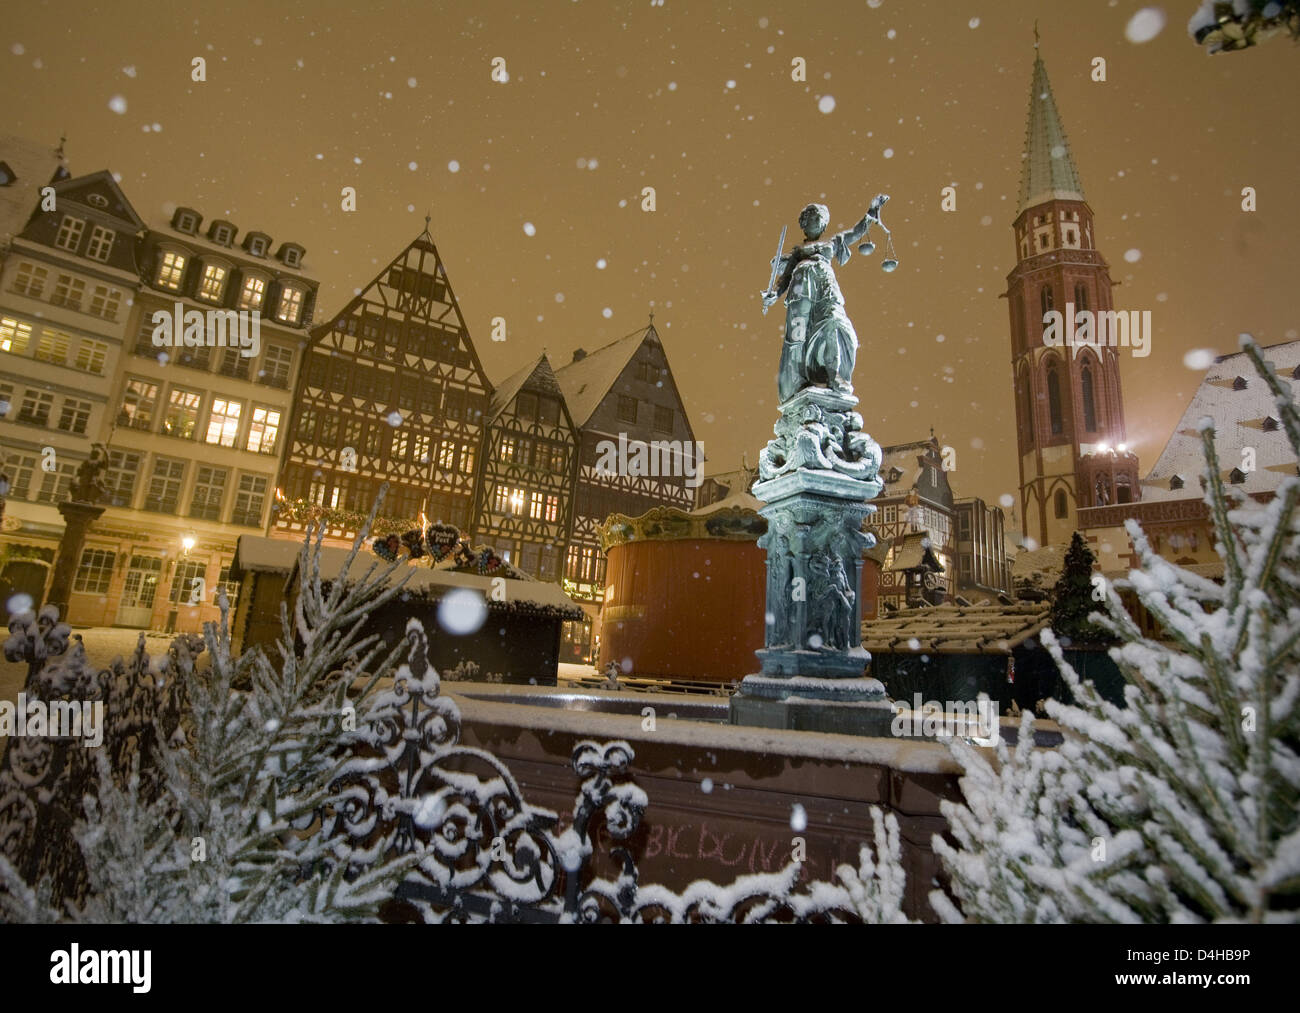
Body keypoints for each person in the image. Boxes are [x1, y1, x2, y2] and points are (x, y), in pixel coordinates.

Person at [762, 196, 888, 402]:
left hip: (826, 288)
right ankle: (798, 380)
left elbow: (855, 233)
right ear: (804, 224)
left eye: (819, 217)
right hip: (801, 290)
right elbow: (784, 279)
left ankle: (832, 373)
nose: (815, 220)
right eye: (811, 217)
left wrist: (871, 213)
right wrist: (773, 295)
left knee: (835, 323)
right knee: (798, 335)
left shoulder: (833, 242)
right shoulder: (797, 252)